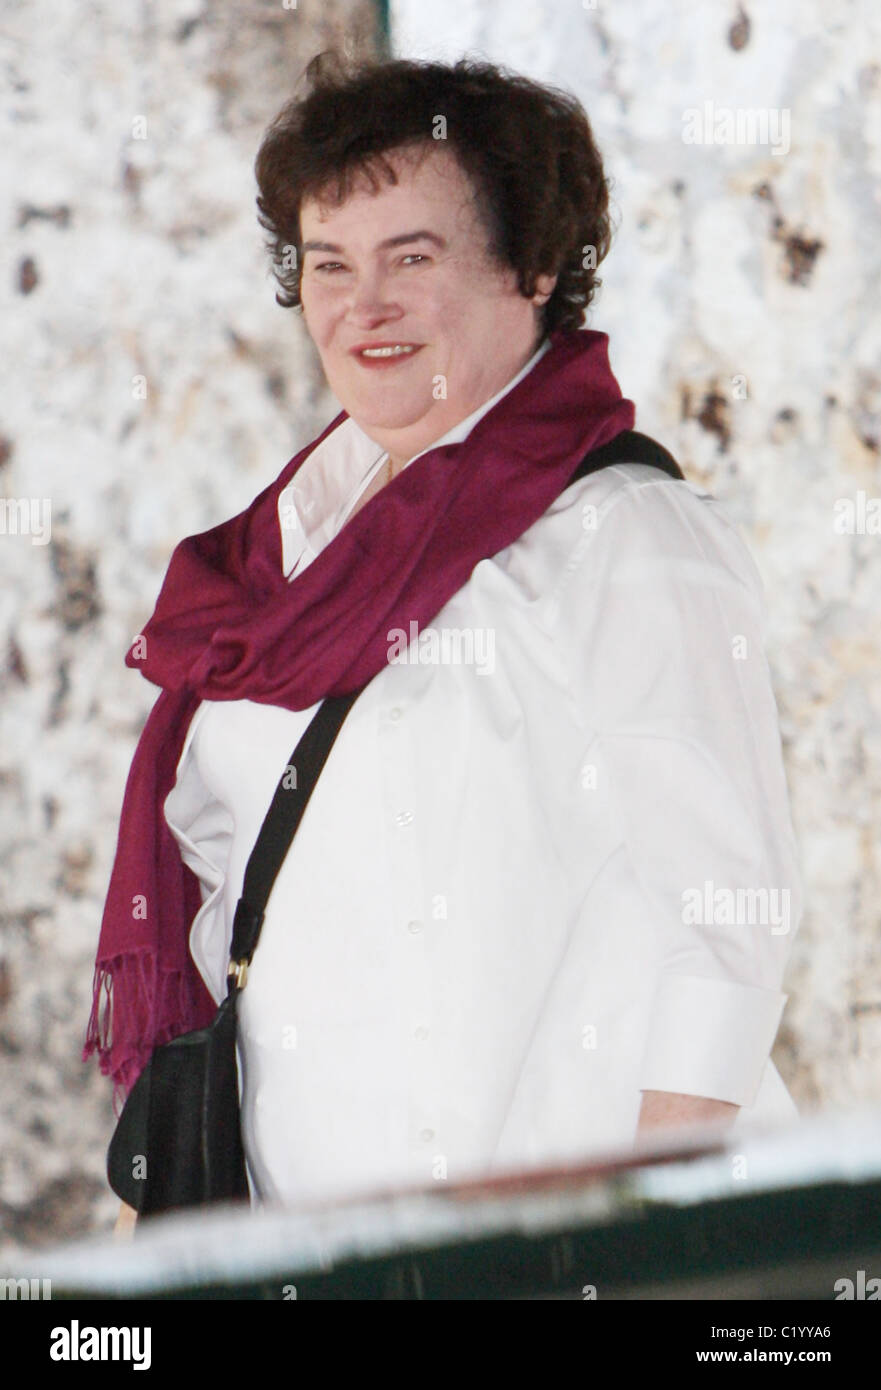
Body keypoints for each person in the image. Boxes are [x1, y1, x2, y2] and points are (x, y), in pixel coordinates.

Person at [88, 53, 803, 1230]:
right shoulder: (274, 566)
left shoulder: (626, 536)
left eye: (410, 259)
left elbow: (725, 931)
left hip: (549, 1240)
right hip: (315, 1244)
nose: (360, 307)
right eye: (329, 265)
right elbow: (222, 928)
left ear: (529, 265)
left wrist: (635, 1238)